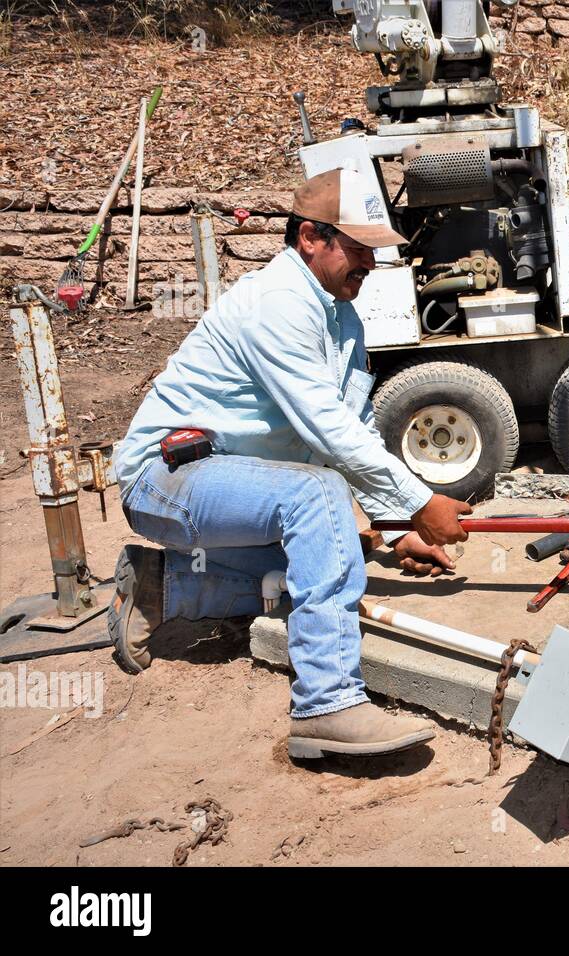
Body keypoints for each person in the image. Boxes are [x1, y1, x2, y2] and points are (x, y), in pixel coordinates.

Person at [109, 167, 466, 760]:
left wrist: (395, 527)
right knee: (316, 500)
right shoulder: (277, 303)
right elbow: (325, 430)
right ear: (309, 238)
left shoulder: (340, 315)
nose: (371, 266)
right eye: (358, 250)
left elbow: (348, 429)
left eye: (374, 252)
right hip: (164, 479)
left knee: (332, 555)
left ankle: (162, 588)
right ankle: (327, 705)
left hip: (224, 485)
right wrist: (419, 502)